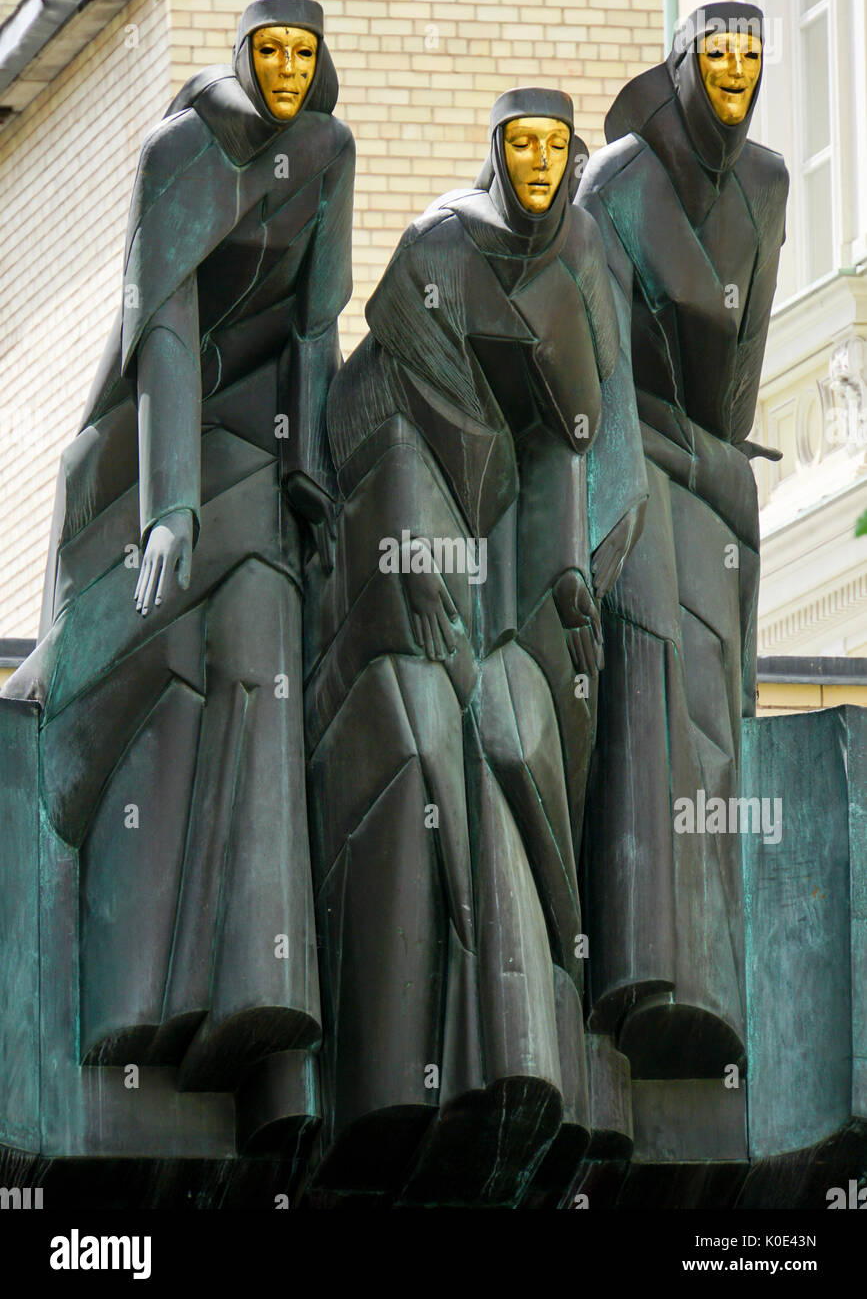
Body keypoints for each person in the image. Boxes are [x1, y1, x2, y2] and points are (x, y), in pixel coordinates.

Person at [2, 0, 355, 1118]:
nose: (290, 71)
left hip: (260, 447)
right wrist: (169, 508)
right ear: (245, 58)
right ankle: (140, 994)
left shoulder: (327, 152)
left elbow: (314, 323)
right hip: (145, 462)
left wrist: (315, 477)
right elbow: (161, 326)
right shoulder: (178, 149)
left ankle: (258, 998)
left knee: (262, 649)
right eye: (272, 52)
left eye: (306, 53)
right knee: (168, 669)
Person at [306, 87, 646, 1202]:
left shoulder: (585, 251)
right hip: (404, 489)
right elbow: (408, 414)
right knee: (447, 719)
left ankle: (557, 953)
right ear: (496, 154)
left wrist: (573, 567)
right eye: (523, 144)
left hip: (516, 520)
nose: (542, 162)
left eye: (558, 145)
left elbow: (599, 436)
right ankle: (497, 1018)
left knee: (525, 707)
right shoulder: (439, 245)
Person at [576, 2, 788, 1077]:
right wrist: (623, 499)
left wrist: (719, 470)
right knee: (657, 634)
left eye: (754, 55)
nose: (738, 71)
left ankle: (708, 975)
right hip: (627, 455)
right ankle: (644, 961)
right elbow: (600, 375)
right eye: (720, 55)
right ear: (683, 64)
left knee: (714, 692)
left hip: (706, 458)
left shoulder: (767, 187)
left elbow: (740, 380)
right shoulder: (616, 182)